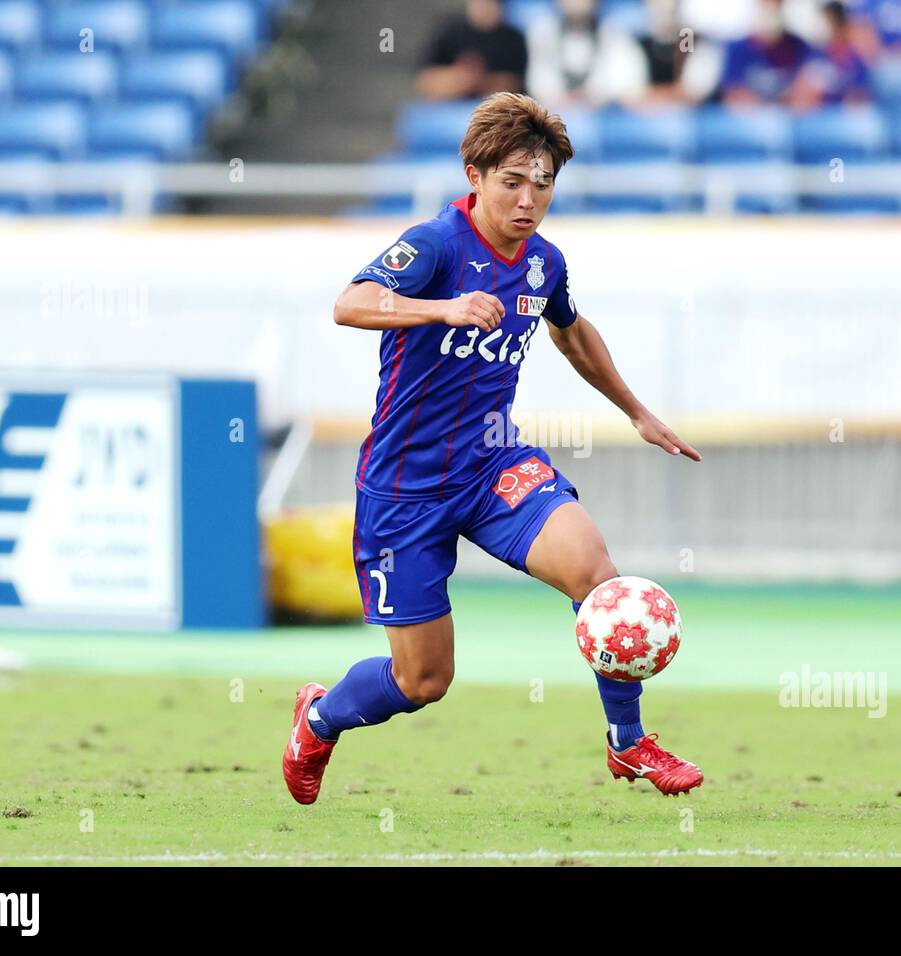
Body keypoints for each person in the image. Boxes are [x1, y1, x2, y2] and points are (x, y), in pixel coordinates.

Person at [283, 92, 705, 804]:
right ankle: (319, 720)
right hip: (404, 487)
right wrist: (440, 307)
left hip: (492, 464)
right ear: (475, 175)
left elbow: (571, 331)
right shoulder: (435, 246)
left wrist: (636, 410)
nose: (528, 199)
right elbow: (350, 303)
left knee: (597, 575)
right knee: (424, 682)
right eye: (513, 180)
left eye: (542, 184)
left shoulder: (543, 264)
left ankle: (628, 745)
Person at [415, 0, 529, 100]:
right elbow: (425, 81)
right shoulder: (450, 31)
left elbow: (514, 85)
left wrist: (481, 82)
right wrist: (460, 80)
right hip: (447, 109)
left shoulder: (512, 39)